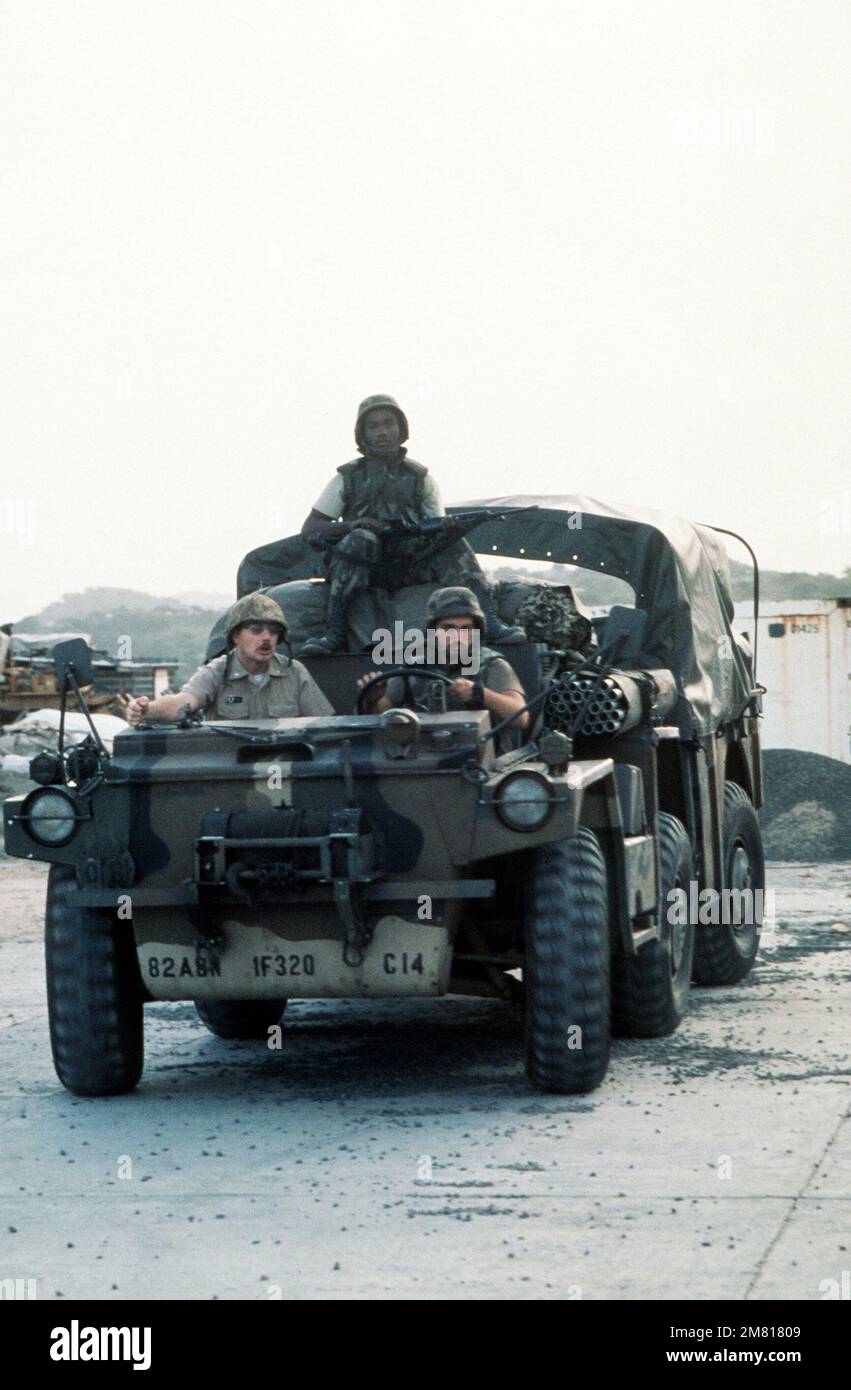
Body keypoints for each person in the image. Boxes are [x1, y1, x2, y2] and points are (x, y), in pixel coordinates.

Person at [299, 393, 524, 653]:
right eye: (373, 426)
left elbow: (435, 525)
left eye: (388, 424)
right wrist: (353, 526)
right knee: (361, 539)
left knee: (454, 544)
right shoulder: (346, 478)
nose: (382, 432)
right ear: (362, 434)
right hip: (365, 567)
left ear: (400, 429)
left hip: (410, 565)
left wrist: (447, 529)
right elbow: (311, 528)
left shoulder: (420, 477)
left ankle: (491, 623)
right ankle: (334, 634)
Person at [125, 595, 333, 726]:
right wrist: (146, 709)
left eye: (274, 631)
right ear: (235, 636)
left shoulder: (294, 672)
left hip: (285, 767)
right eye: (256, 630)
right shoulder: (217, 673)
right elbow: (181, 703)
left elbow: (326, 725)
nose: (267, 637)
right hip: (232, 773)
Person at [357, 586, 529, 734]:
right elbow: (383, 714)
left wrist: (480, 693)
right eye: (448, 628)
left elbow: (521, 717)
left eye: (466, 628)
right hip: (424, 759)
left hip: (482, 761)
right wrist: (372, 699)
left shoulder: (492, 665)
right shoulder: (415, 667)